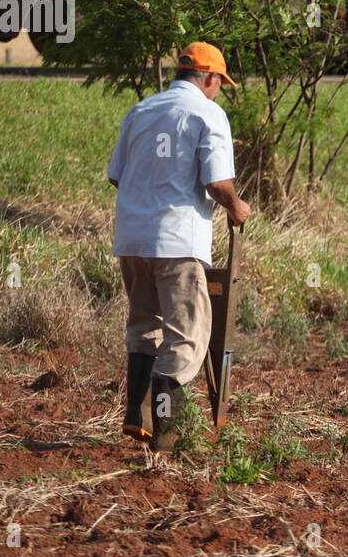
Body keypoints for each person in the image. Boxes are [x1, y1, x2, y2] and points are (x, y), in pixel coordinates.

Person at [106, 42, 252, 452]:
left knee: (144, 325)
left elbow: (118, 177)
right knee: (187, 337)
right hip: (178, 241)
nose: (218, 90)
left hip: (133, 239)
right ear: (209, 78)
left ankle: (138, 414)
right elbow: (217, 184)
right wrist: (237, 207)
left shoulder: (140, 111)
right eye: (219, 83)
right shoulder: (209, 114)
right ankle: (168, 435)